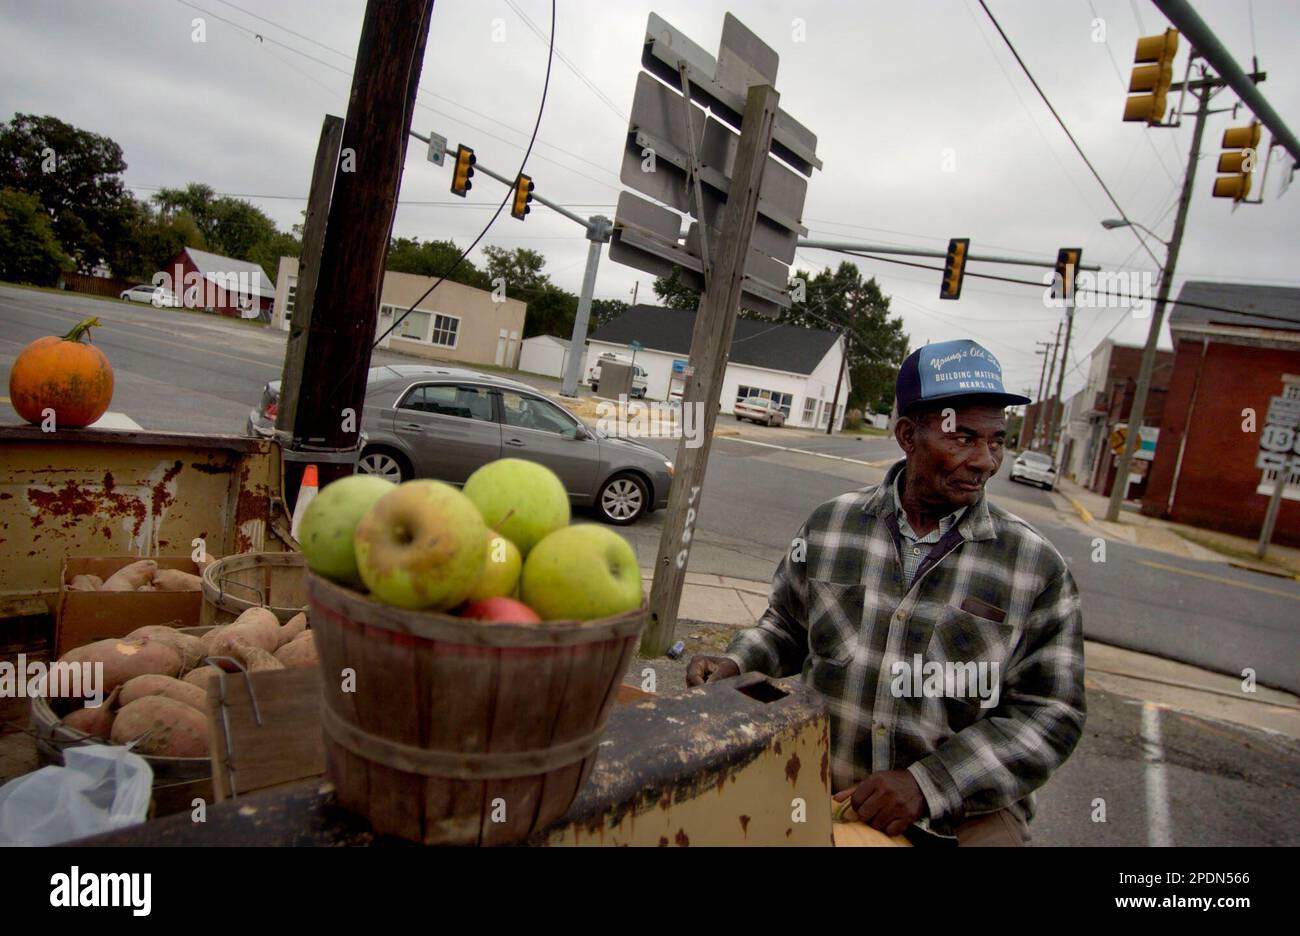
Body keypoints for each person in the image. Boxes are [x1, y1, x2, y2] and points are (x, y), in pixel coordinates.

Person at [687, 339, 1086, 846]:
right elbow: (787, 626)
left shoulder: (1034, 566)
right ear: (907, 436)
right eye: (963, 437)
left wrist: (929, 784)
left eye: (996, 440)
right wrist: (738, 664)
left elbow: (1053, 711)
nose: (985, 460)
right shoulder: (830, 527)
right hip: (822, 791)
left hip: (961, 817)